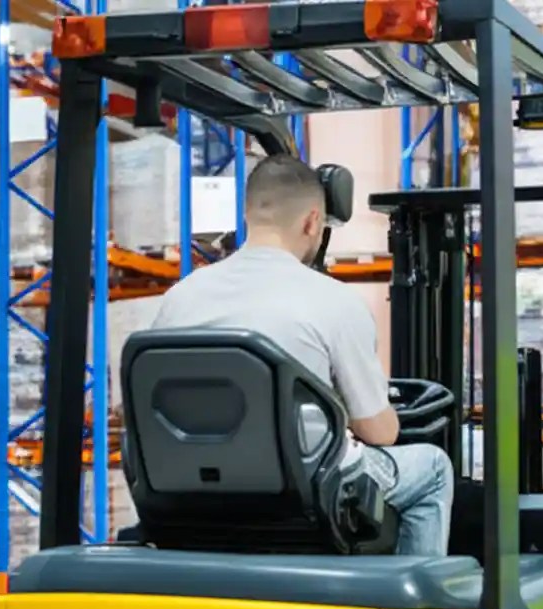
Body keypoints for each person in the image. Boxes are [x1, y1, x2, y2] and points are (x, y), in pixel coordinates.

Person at [150, 154, 454, 557]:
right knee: (433, 468)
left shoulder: (177, 298)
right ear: (313, 221)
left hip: (192, 493)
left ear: (247, 214)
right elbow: (380, 433)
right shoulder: (334, 301)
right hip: (305, 494)